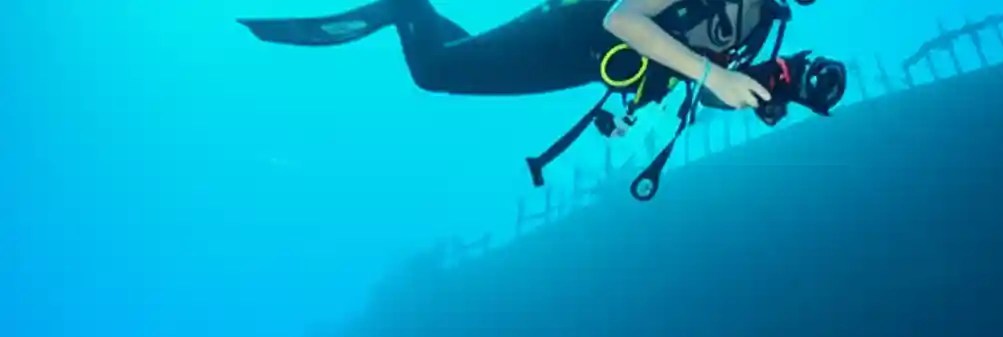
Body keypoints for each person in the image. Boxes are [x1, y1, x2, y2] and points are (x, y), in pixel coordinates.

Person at [237, 0, 845, 199]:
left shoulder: (763, 22)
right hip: (572, 32)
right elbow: (622, 15)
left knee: (448, 69)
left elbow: (693, 78)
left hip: (589, 68)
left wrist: (774, 86)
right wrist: (712, 78)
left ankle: (415, 14)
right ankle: (406, 7)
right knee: (434, 72)